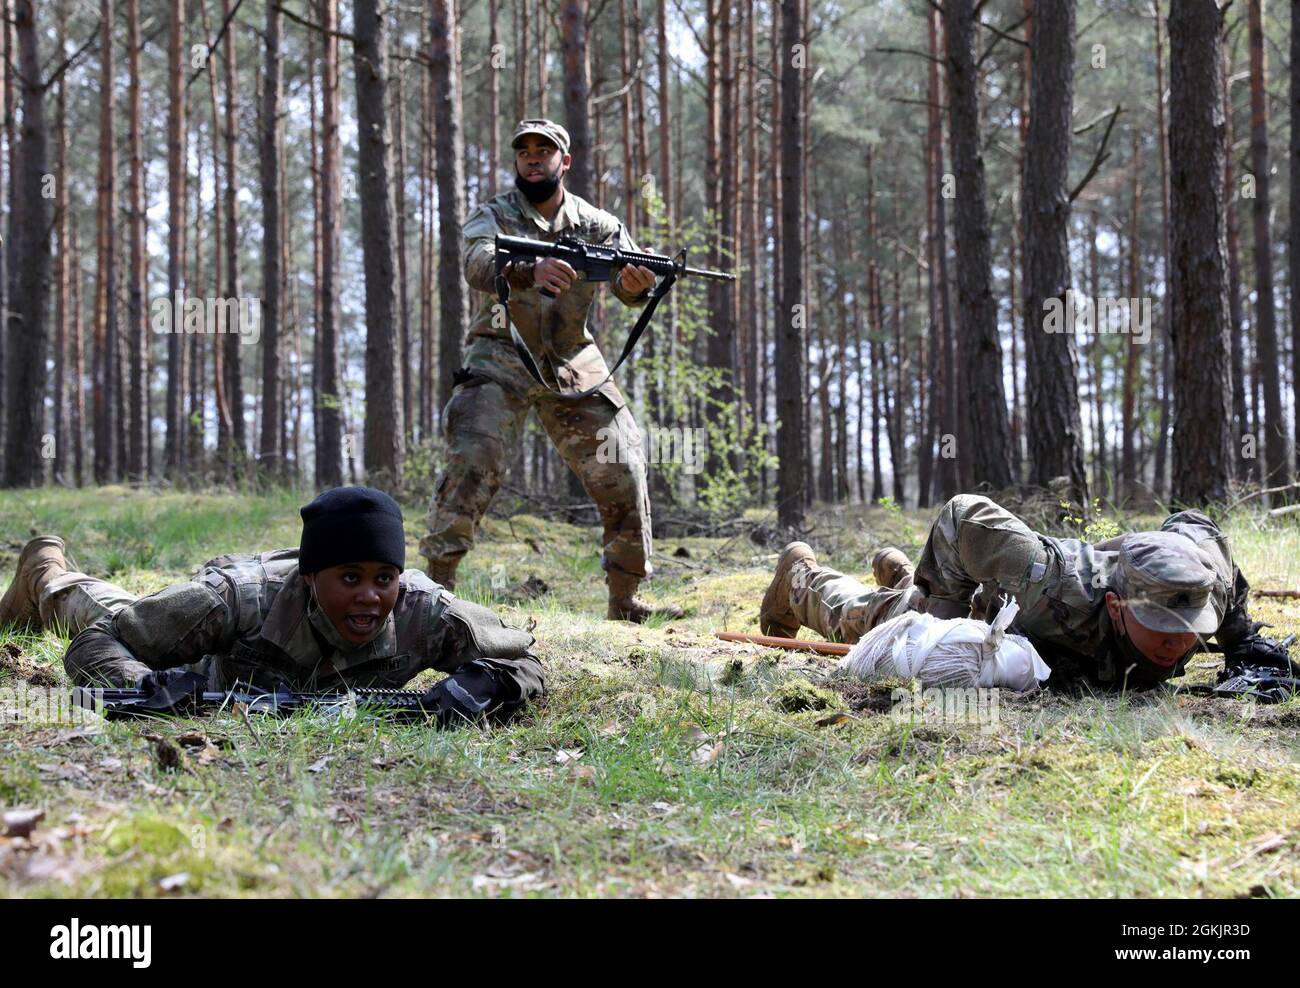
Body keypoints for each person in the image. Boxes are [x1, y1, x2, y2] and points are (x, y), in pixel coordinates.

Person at [420, 117, 680, 624]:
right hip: (499, 356)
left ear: (566, 161)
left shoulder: (597, 224)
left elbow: (630, 286)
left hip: (571, 363)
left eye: (545, 150)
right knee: (474, 456)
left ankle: (625, 600)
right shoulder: (494, 213)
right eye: (524, 152)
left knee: (622, 460)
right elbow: (476, 262)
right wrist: (527, 270)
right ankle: (435, 591)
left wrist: (638, 281)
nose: (533, 158)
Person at [0, 486, 544, 726]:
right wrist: (144, 686)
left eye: (384, 578)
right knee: (94, 605)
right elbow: (99, 643)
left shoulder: (423, 610)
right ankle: (43, 571)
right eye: (349, 577)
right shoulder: (237, 598)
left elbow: (522, 658)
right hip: (188, 662)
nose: (370, 596)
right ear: (311, 579)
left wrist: (487, 686)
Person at [760, 493, 1289, 690]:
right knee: (885, 632)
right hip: (996, 611)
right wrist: (938, 630)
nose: (1179, 642)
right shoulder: (1050, 581)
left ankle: (901, 574)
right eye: (1163, 626)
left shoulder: (1204, 592)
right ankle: (799, 579)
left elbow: (1197, 524)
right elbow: (963, 514)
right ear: (1115, 607)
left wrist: (1240, 641)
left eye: (1189, 630)